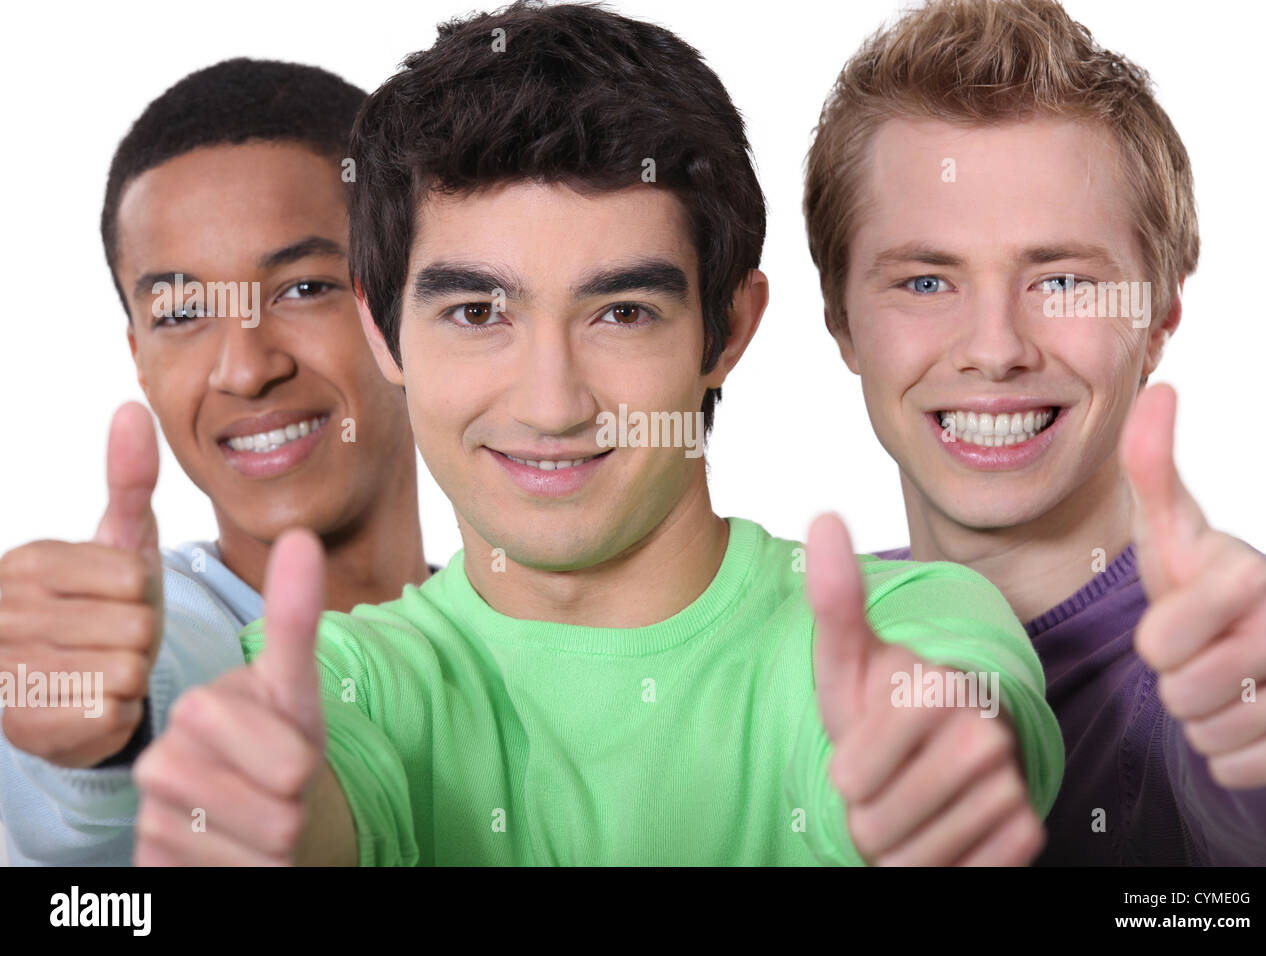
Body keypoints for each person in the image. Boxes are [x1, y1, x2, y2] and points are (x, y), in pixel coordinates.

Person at [133, 1, 1063, 867]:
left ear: (727, 330)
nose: (551, 404)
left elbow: (956, 707)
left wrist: (927, 765)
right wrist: (263, 824)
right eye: (474, 312)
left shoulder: (912, 622)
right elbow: (309, 802)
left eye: (620, 312)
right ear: (384, 334)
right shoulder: (331, 683)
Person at [803, 0, 1266, 864]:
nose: (995, 351)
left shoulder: (1263, 642)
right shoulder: (770, 648)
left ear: (1158, 315)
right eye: (925, 283)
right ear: (840, 320)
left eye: (1062, 280)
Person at [0, 58, 435, 865]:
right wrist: (99, 742)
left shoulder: (526, 625)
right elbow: (135, 735)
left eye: (303, 289)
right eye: (183, 312)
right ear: (139, 354)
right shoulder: (172, 630)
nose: (244, 368)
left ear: (416, 306)